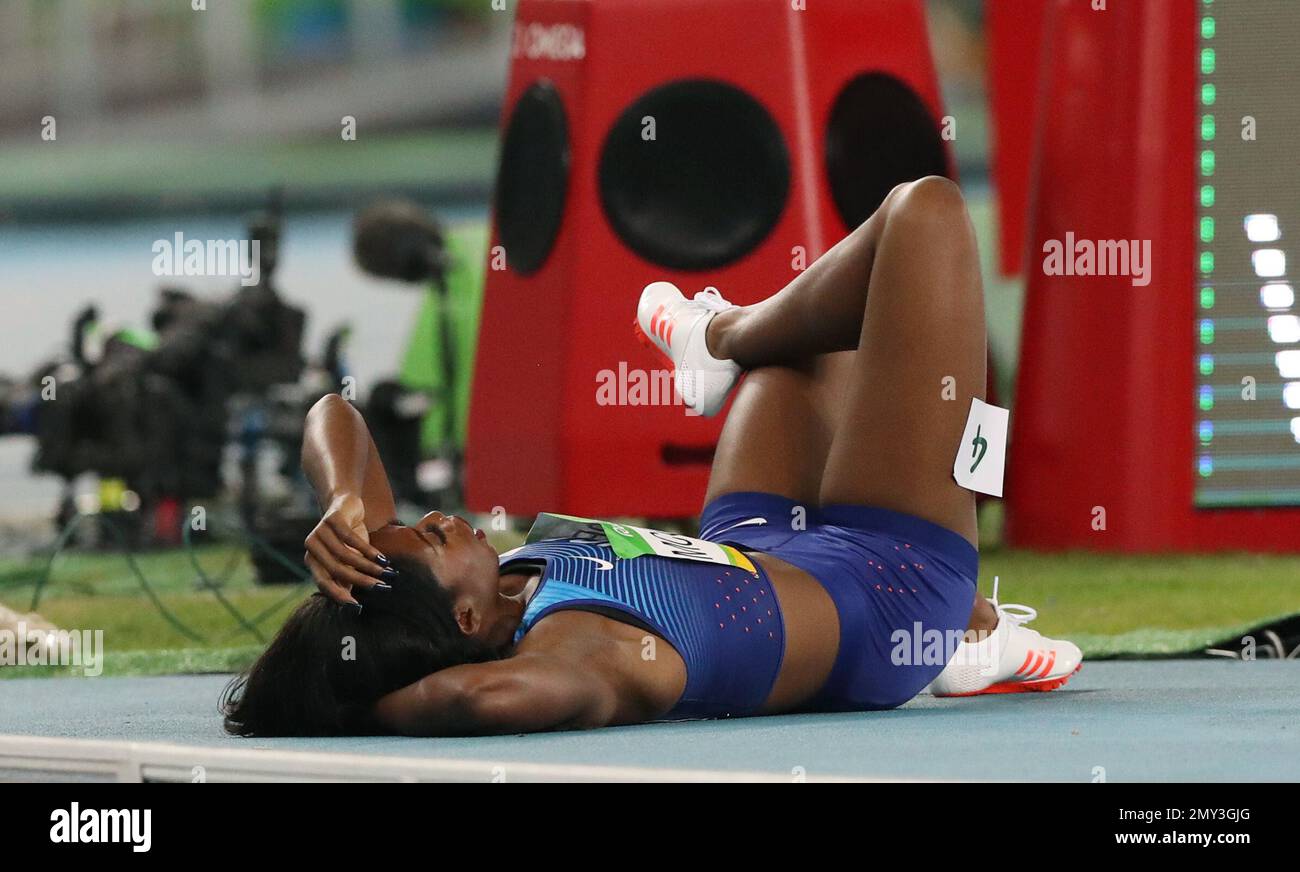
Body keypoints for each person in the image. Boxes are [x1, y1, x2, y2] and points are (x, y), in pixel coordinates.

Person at [222, 176, 1080, 737]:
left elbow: (337, 414)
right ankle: (720, 333)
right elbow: (465, 698)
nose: (442, 518)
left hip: (754, 539)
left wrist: (340, 503)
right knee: (925, 214)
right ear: (468, 626)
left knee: (803, 351)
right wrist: (343, 702)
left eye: (419, 523)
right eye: (437, 540)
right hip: (887, 586)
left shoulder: (452, 595)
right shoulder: (575, 654)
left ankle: (974, 634)